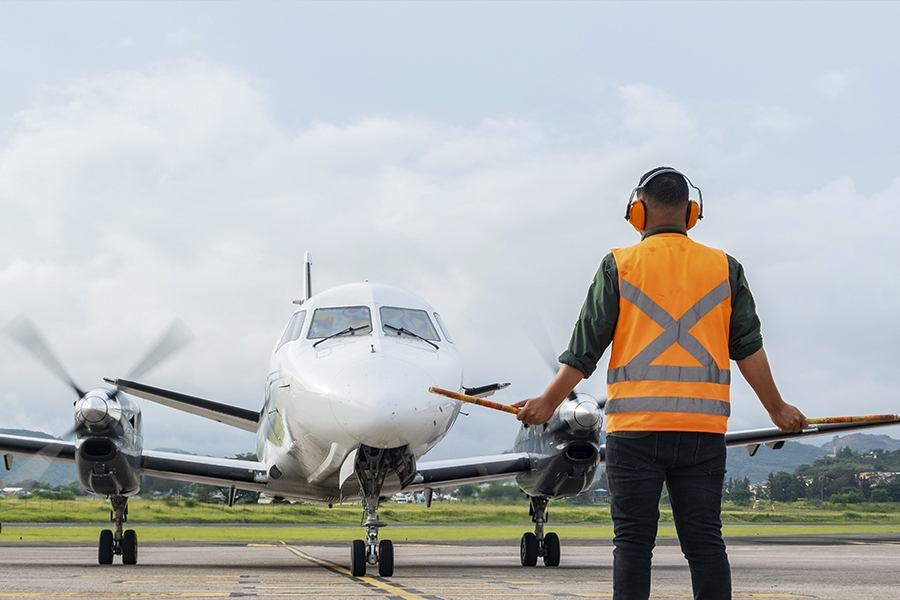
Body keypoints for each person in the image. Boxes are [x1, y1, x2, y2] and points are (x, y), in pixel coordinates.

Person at [512, 167, 808, 600]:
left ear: (637, 211)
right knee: (705, 543)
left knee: (633, 544)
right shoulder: (725, 267)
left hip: (635, 431)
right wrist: (777, 410)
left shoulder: (619, 264)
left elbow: (583, 353)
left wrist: (546, 403)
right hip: (702, 434)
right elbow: (748, 349)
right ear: (691, 212)